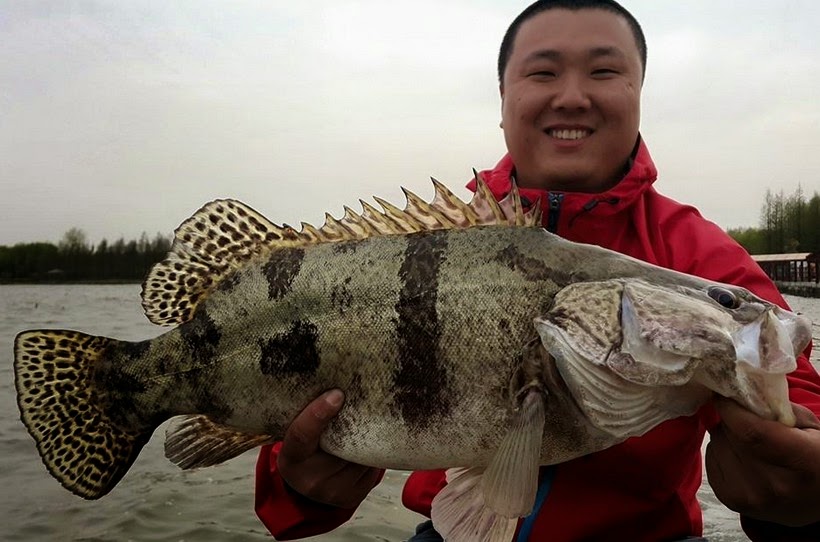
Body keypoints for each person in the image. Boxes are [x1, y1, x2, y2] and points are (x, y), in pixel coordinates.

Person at [255, 1, 820, 540]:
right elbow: (281, 403)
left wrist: (800, 505)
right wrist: (302, 486)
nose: (572, 97)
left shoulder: (700, 255)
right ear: (503, 99)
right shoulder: (425, 248)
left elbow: (796, 391)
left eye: (603, 70)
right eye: (543, 73)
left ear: (638, 94)